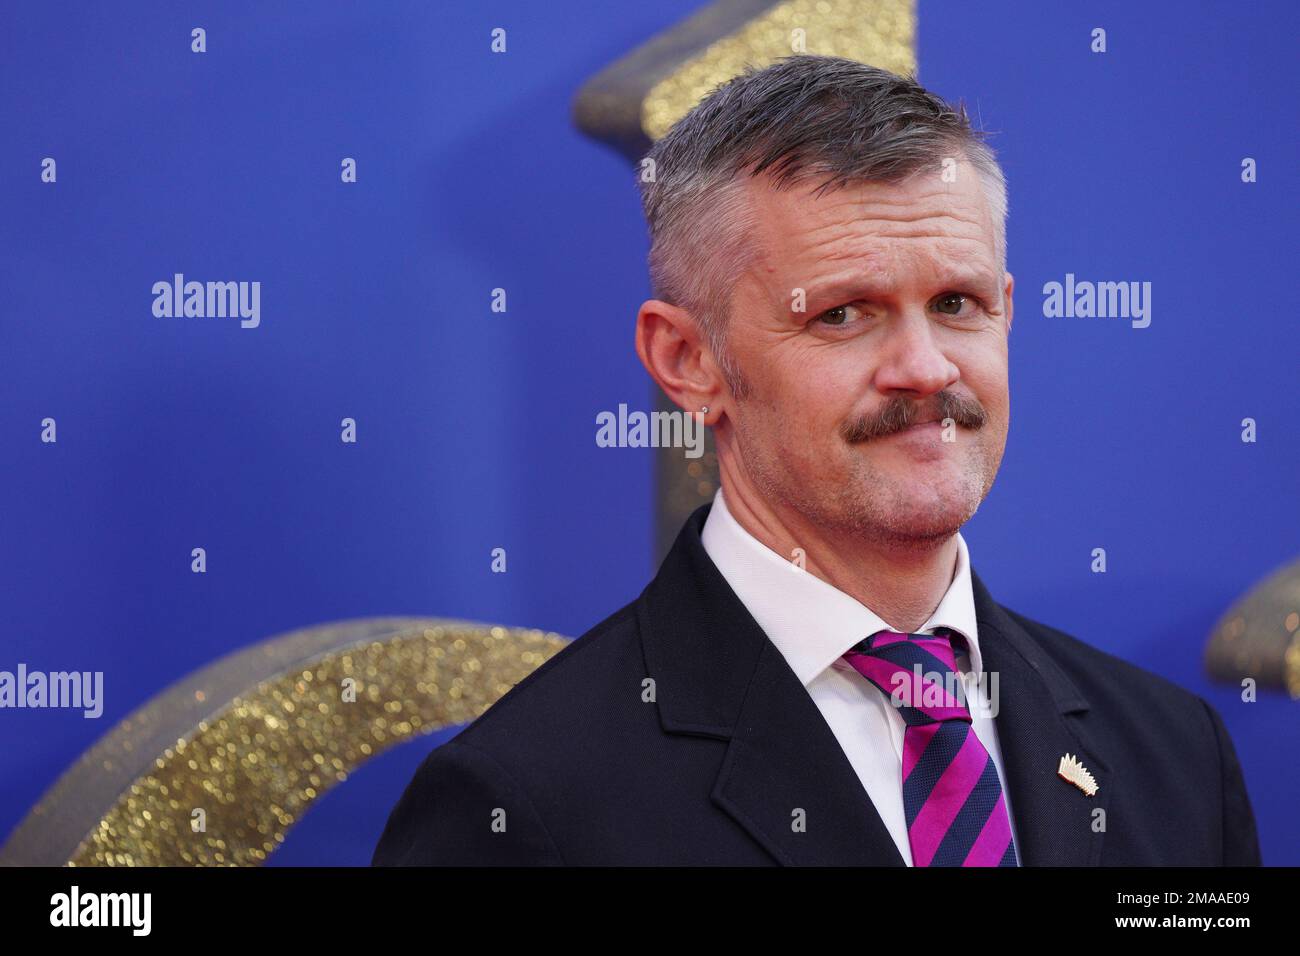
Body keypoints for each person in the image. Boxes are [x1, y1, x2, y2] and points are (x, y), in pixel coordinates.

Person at [372, 55, 1261, 866]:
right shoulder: (521, 806)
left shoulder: (1174, 754)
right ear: (690, 362)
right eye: (842, 314)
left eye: (957, 303)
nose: (925, 367)